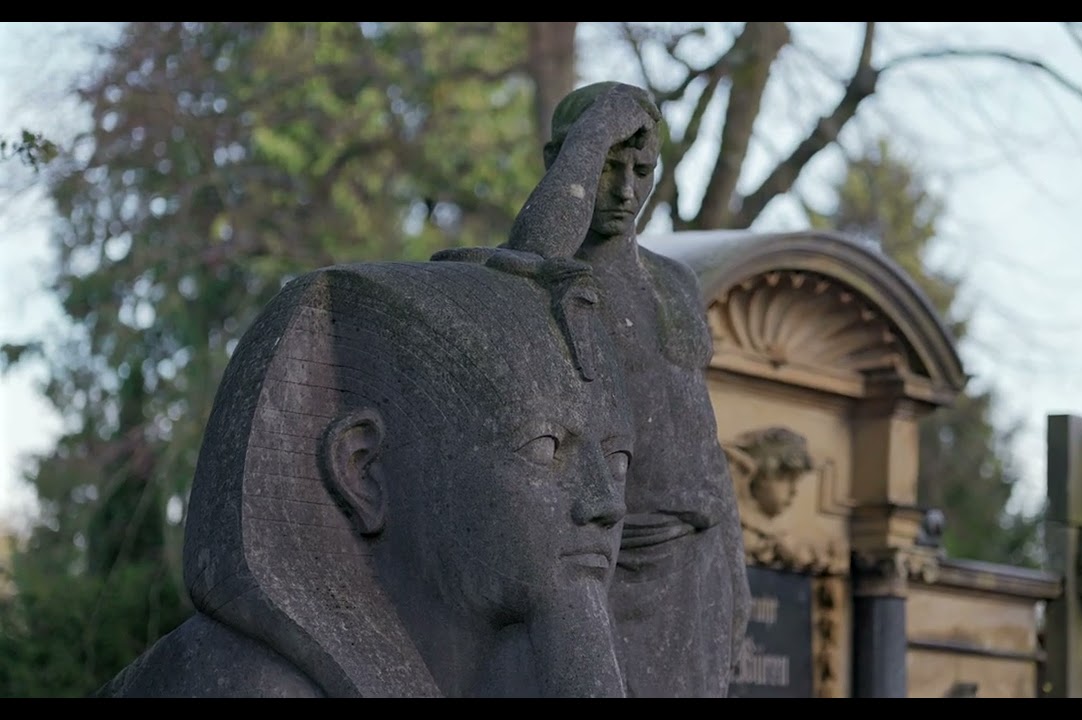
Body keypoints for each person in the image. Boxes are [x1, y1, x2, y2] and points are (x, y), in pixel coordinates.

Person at [97, 255, 635, 697]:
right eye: (545, 448)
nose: (605, 501)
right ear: (362, 471)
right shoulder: (251, 685)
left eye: (616, 460)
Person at [441, 81, 751, 697]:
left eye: (642, 170)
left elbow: (701, 431)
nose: (627, 190)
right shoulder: (552, 279)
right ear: (565, 163)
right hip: (611, 559)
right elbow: (524, 262)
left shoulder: (676, 283)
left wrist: (734, 564)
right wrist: (591, 134)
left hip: (696, 560)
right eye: (608, 167)